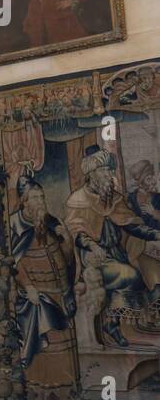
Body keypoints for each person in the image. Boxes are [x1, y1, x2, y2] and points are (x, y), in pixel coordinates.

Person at [64, 146, 160, 346]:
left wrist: (156, 234)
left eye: (110, 169)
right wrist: (92, 245)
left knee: (151, 270)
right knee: (130, 275)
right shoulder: (78, 200)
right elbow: (77, 233)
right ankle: (112, 324)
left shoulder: (114, 198)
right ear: (92, 173)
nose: (110, 174)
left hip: (118, 254)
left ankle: (129, 322)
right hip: (93, 260)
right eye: (105, 170)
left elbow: (132, 225)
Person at [7, 175, 75, 369]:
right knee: (44, 355)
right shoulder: (14, 225)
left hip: (59, 293)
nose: (41, 202)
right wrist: (28, 286)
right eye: (35, 198)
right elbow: (14, 262)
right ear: (24, 201)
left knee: (63, 352)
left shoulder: (51, 222)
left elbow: (67, 259)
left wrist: (67, 241)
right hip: (35, 297)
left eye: (42, 197)